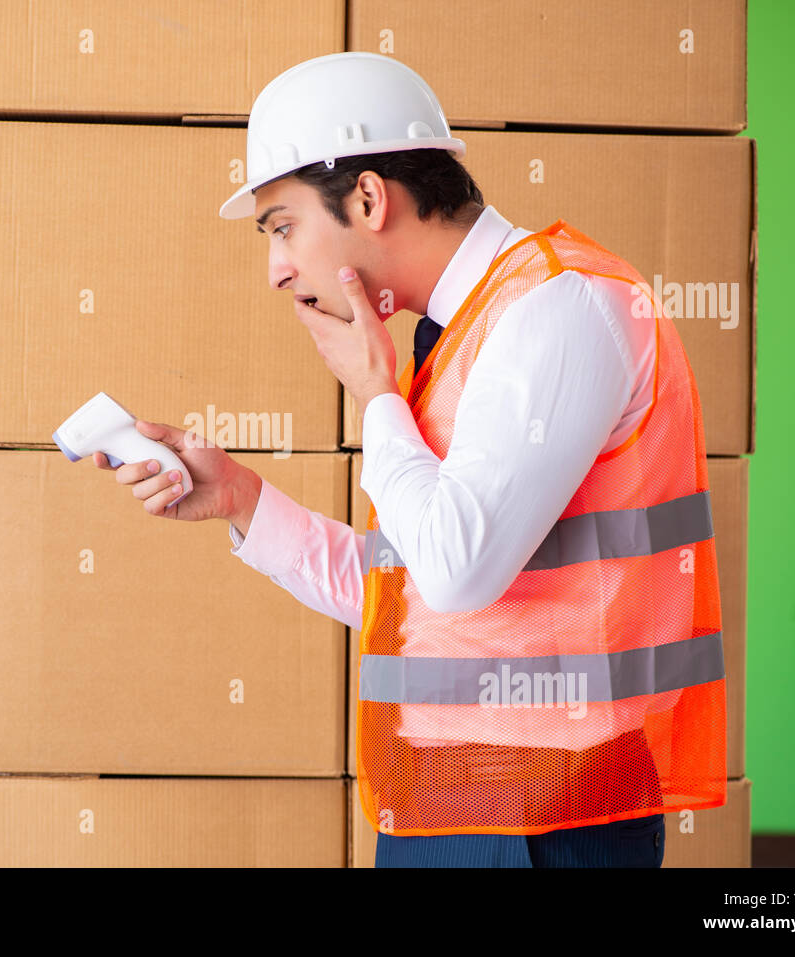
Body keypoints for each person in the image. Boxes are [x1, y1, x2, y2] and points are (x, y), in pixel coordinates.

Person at [93, 53, 726, 867]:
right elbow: (419, 601)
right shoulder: (458, 338)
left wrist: (374, 396)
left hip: (543, 813)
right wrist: (242, 498)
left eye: (282, 226)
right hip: (452, 807)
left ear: (367, 197)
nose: (278, 267)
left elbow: (458, 570)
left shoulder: (556, 310)